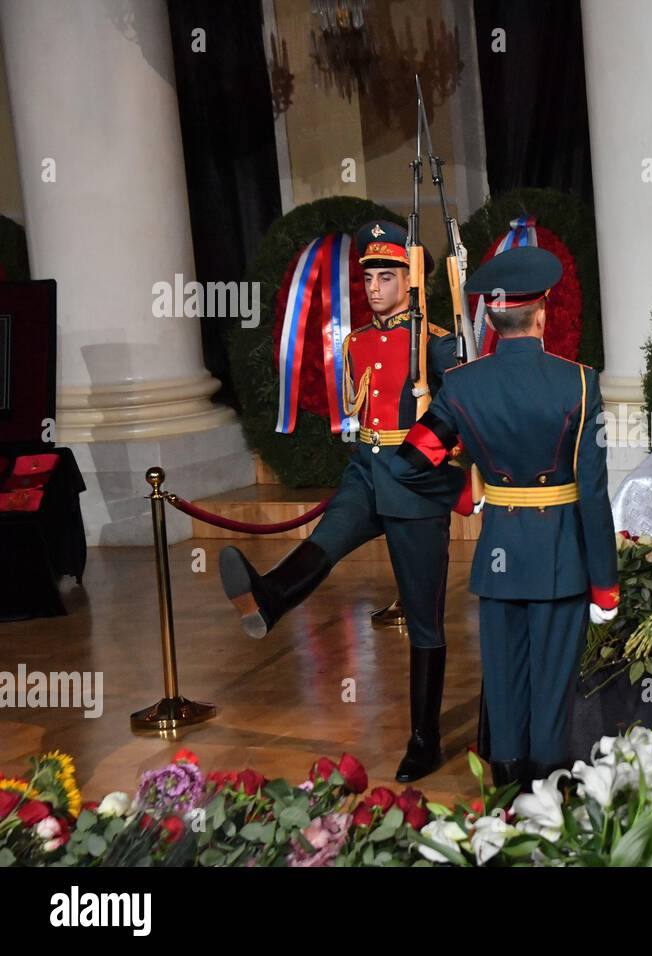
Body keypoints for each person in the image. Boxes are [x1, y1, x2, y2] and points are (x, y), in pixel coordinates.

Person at [218, 221, 468, 783]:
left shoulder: (438, 342)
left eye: (387, 275)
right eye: (370, 277)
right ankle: (267, 600)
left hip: (415, 481)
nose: (375, 286)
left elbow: (459, 420)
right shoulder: (358, 340)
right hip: (366, 470)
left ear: (412, 279)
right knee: (323, 542)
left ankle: (424, 739)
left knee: (424, 621)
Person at [388, 246, 619, 788]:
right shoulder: (579, 383)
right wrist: (605, 584)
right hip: (559, 556)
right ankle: (548, 791)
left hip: (497, 559)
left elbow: (412, 463)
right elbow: (592, 490)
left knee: (506, 681)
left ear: (489, 318)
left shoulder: (463, 385)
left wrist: (468, 494)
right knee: (552, 685)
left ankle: (509, 793)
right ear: (542, 313)